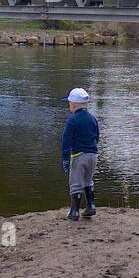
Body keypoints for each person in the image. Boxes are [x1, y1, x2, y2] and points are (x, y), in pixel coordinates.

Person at [60, 87, 99, 221]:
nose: (69, 105)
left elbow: (66, 141)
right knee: (88, 180)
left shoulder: (73, 120)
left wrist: (65, 159)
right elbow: (97, 137)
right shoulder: (93, 119)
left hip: (78, 156)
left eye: (69, 103)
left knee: (75, 183)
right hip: (93, 155)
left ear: (74, 104)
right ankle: (90, 206)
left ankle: (74, 211)